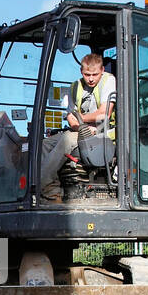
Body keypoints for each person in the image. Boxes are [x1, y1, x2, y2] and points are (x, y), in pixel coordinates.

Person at [40, 53, 116, 199]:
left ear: (102, 70)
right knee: (45, 143)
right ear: (82, 72)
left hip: (104, 129)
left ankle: (45, 184)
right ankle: (51, 188)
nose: (91, 78)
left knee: (68, 139)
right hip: (81, 129)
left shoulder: (109, 81)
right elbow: (70, 116)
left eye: (95, 74)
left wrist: (81, 119)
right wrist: (79, 126)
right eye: (87, 75)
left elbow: (103, 114)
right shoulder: (75, 87)